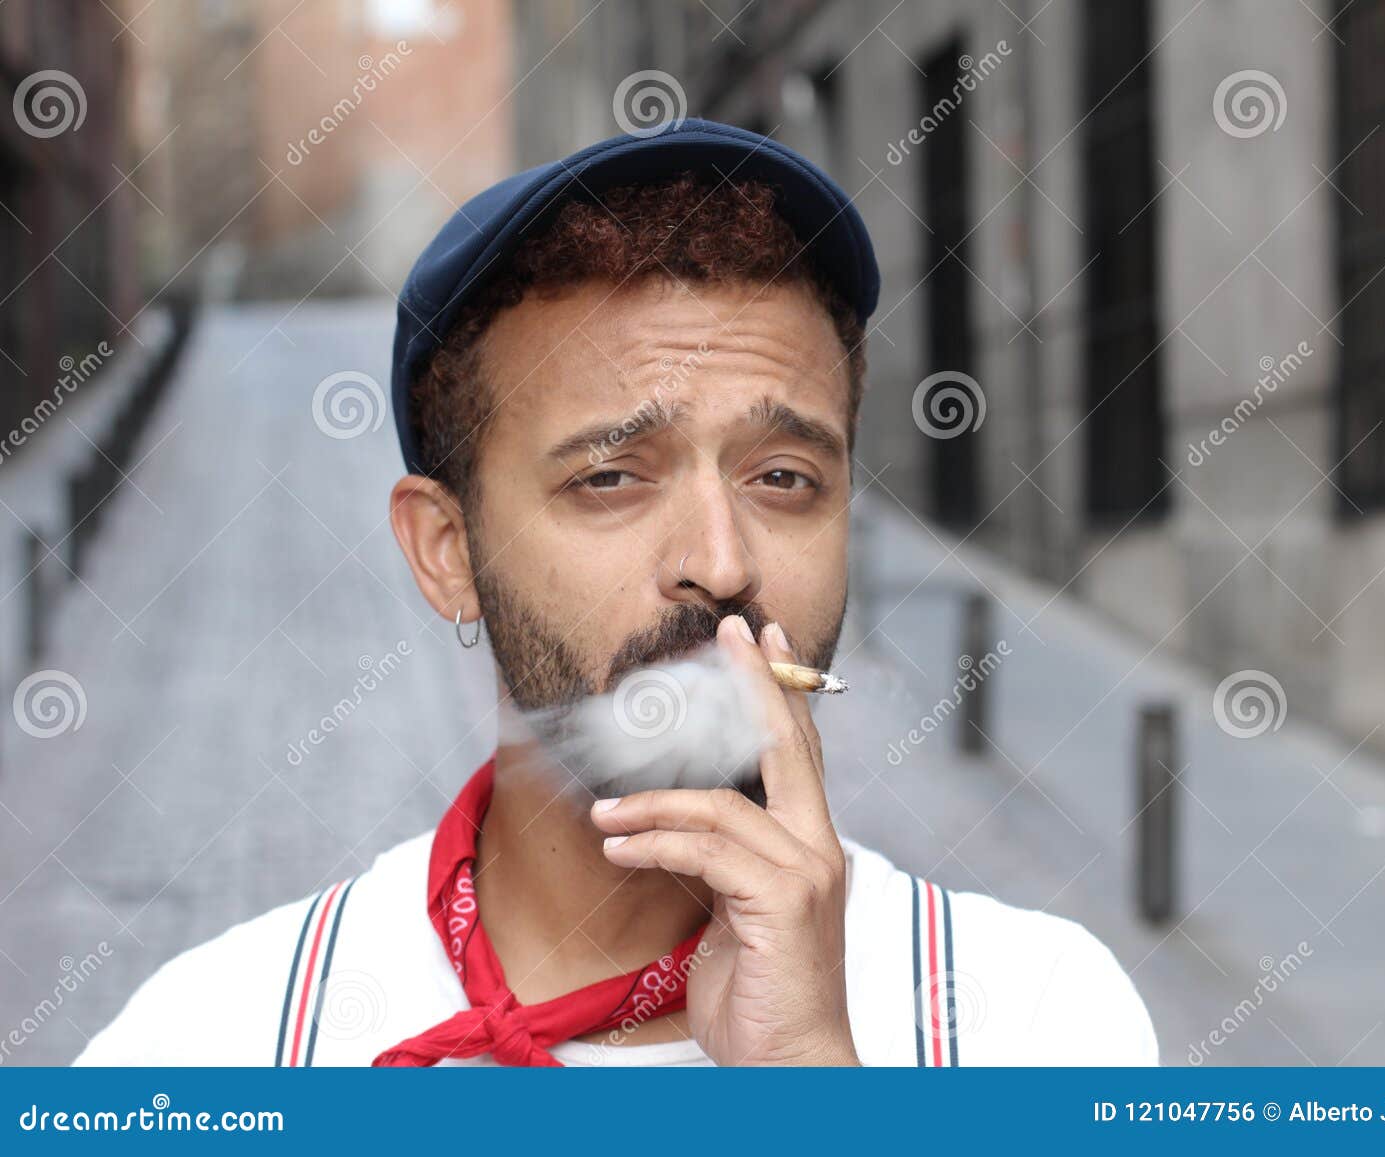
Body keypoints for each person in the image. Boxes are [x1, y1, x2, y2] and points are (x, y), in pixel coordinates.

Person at [74, 119, 1157, 1067]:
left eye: (784, 477)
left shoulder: (1031, 1019)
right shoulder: (217, 1043)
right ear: (447, 549)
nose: (722, 563)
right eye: (610, 478)